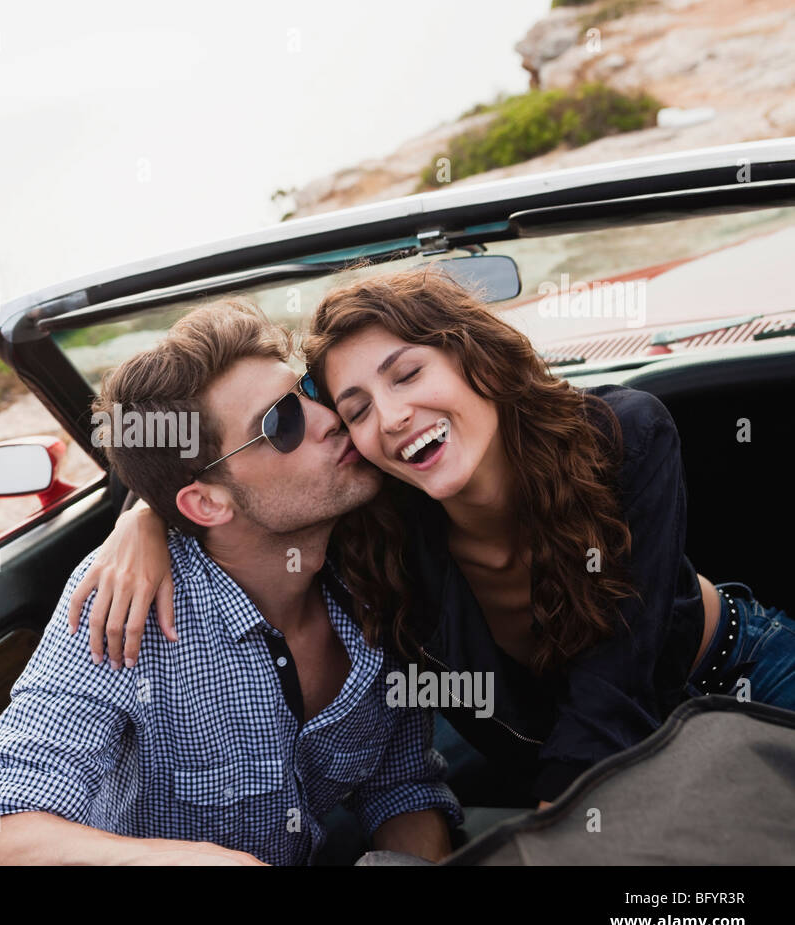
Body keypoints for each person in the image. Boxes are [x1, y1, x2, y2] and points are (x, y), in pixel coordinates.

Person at [73, 267, 795, 810]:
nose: (389, 417)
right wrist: (143, 515)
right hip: (556, 755)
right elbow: (237, 479)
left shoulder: (623, 437)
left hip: (737, 676)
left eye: (409, 373)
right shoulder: (374, 515)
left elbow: (614, 693)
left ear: (472, 357)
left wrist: (555, 826)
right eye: (354, 409)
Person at [0, 299, 463, 865]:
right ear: (206, 502)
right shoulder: (128, 606)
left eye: (311, 392)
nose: (328, 421)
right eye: (282, 423)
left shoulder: (380, 562)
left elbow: (399, 786)